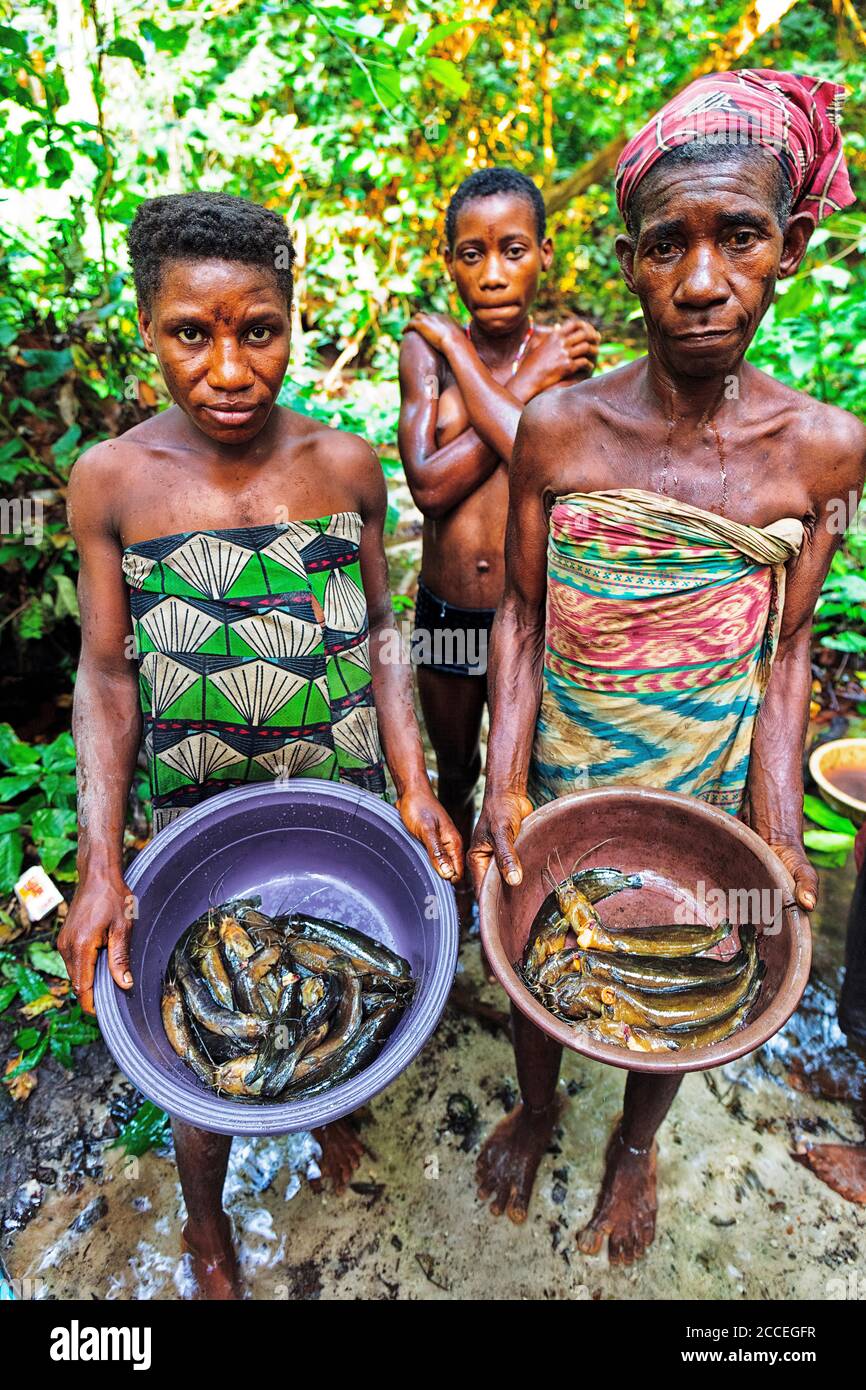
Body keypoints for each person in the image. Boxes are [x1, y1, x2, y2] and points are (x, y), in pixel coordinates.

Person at [469, 70, 865, 1263]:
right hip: (567, 762)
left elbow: (785, 647)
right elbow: (522, 621)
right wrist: (501, 779)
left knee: (693, 961)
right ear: (628, 260)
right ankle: (538, 1109)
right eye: (665, 246)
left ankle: (632, 1146)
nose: (700, 283)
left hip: (701, 772)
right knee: (537, 944)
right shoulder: (559, 429)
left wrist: (776, 816)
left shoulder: (821, 451)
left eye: (736, 236)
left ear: (787, 244)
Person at [58, 192, 462, 1299]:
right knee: (204, 1036)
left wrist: (417, 787)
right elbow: (103, 675)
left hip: (343, 785)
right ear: (149, 329)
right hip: (199, 803)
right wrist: (99, 863)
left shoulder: (346, 467)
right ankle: (206, 1225)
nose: (229, 369)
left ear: (294, 320)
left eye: (259, 330)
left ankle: (331, 1108)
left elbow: (385, 634)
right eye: (193, 333)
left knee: (349, 977)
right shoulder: (112, 483)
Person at [399, 168, 600, 927]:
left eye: (512, 250)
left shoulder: (568, 354)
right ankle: (451, 901)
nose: (491, 273)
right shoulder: (426, 356)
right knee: (456, 772)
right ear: (450, 261)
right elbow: (428, 485)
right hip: (448, 607)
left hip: (532, 614)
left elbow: (542, 462)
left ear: (544, 253)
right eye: (471, 254)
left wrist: (484, 364)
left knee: (526, 776)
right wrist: (510, 380)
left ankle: (516, 903)